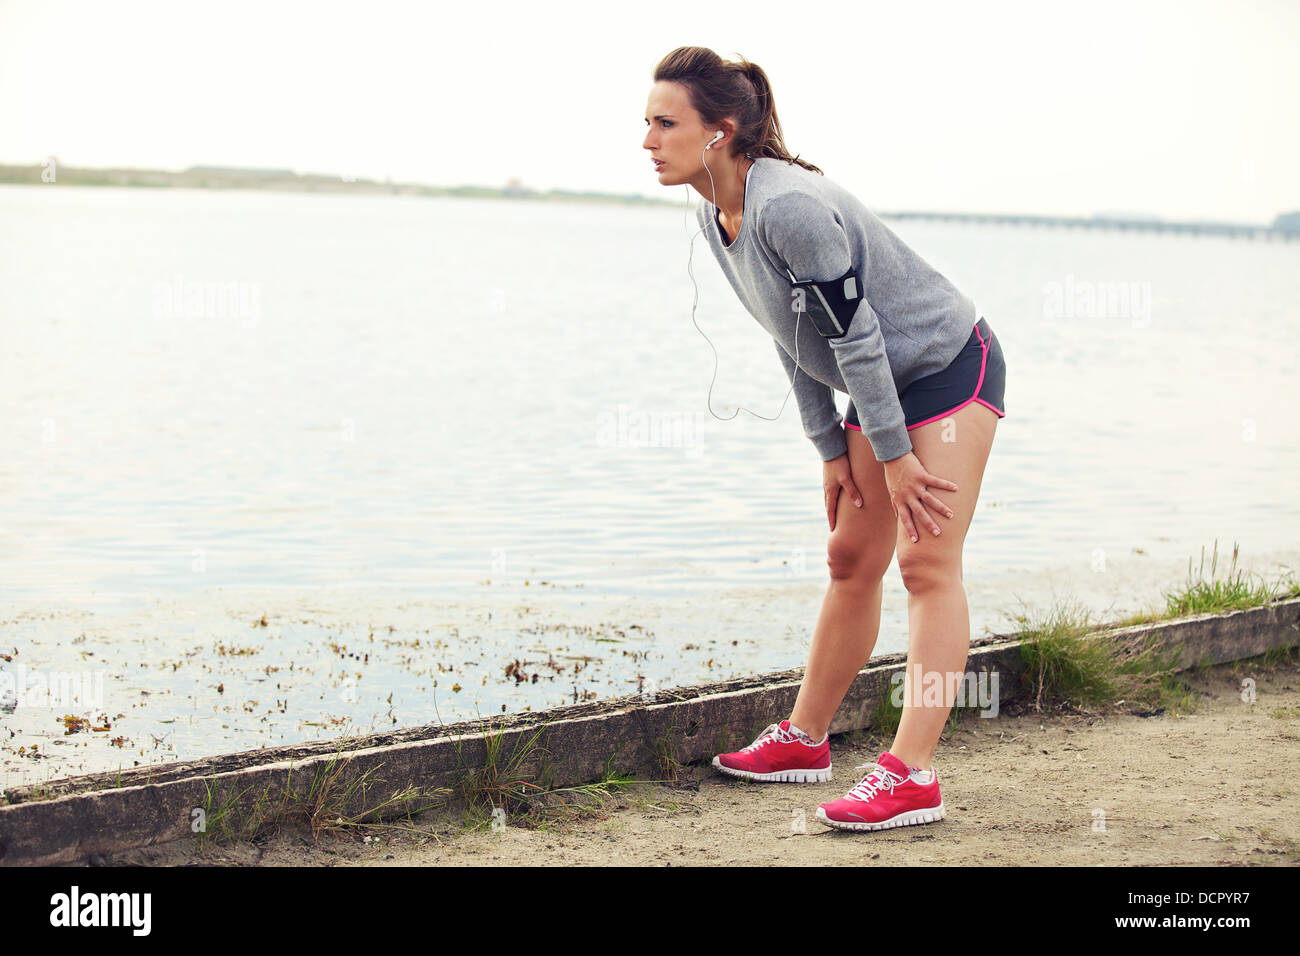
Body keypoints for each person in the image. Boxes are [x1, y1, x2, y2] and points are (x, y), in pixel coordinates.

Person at [643, 46, 1007, 832]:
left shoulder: (789, 208)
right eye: (647, 122)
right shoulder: (719, 212)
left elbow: (859, 336)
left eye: (665, 123)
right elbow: (790, 326)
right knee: (850, 557)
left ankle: (912, 776)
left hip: (944, 365)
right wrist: (830, 448)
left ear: (720, 131)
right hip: (880, 384)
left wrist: (900, 456)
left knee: (925, 564)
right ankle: (805, 741)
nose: (647, 139)